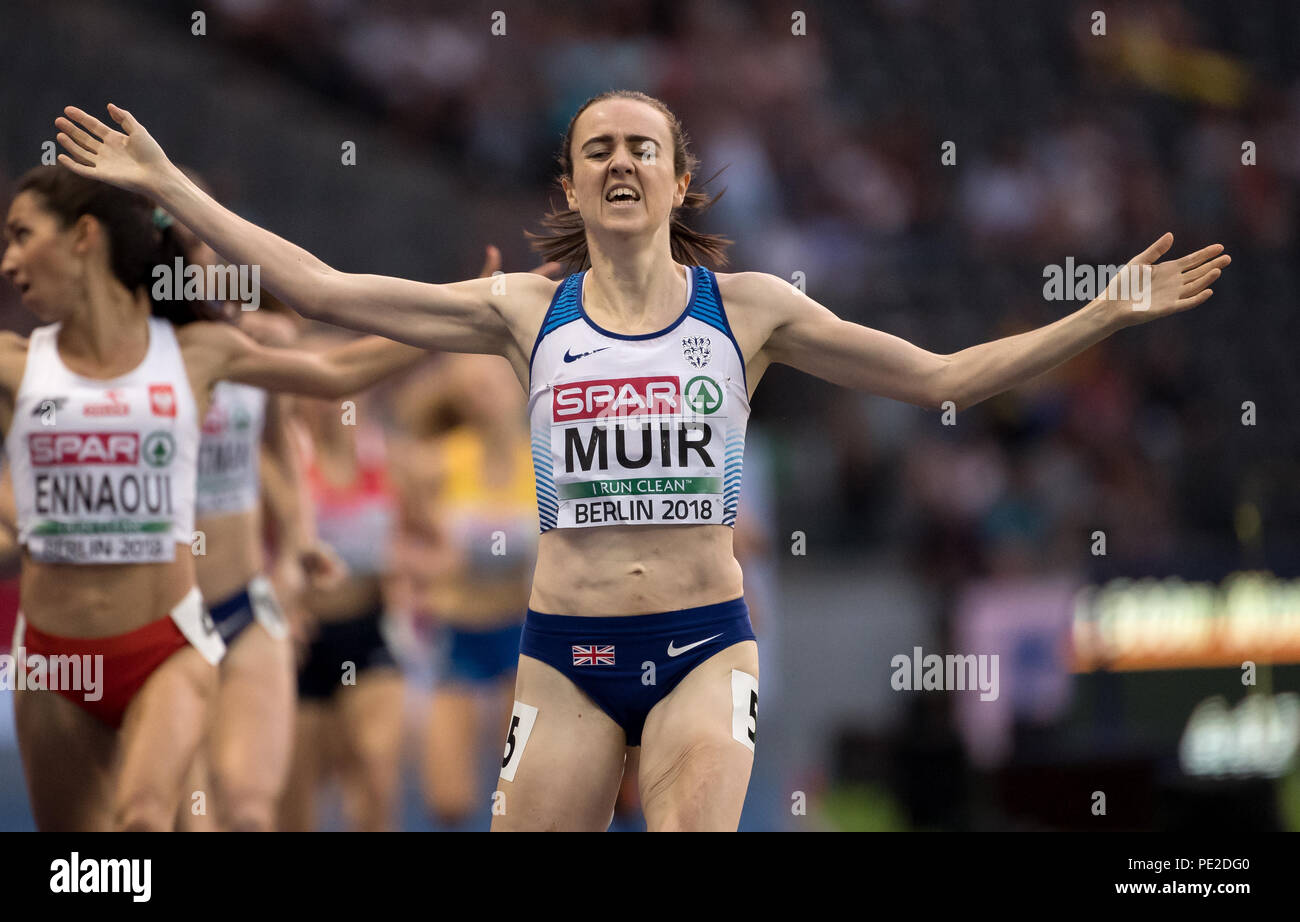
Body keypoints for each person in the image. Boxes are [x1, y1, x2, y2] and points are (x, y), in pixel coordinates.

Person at [54, 92, 1230, 830]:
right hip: (562, 657)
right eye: (595, 148)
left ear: (678, 181)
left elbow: (942, 377)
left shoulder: (754, 309)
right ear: (568, 184)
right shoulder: (521, 308)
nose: (619, 162)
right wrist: (169, 187)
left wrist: (1102, 316)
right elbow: (319, 288)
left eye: (641, 147)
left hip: (703, 648)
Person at [0, 164, 423, 830]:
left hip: (191, 627)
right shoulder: (22, 365)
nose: (9, 261)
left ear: (83, 237)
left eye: (23, 236)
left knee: (197, 815)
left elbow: (328, 384)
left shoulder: (216, 349)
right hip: (59, 653)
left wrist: (474, 311)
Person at [391, 351, 537, 829]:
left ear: (521, 388)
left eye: (493, 384)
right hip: (454, 635)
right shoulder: (435, 464)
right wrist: (433, 567)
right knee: (449, 801)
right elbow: (391, 546)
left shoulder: (544, 465)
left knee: (522, 788)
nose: (485, 397)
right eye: (472, 389)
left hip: (521, 636)